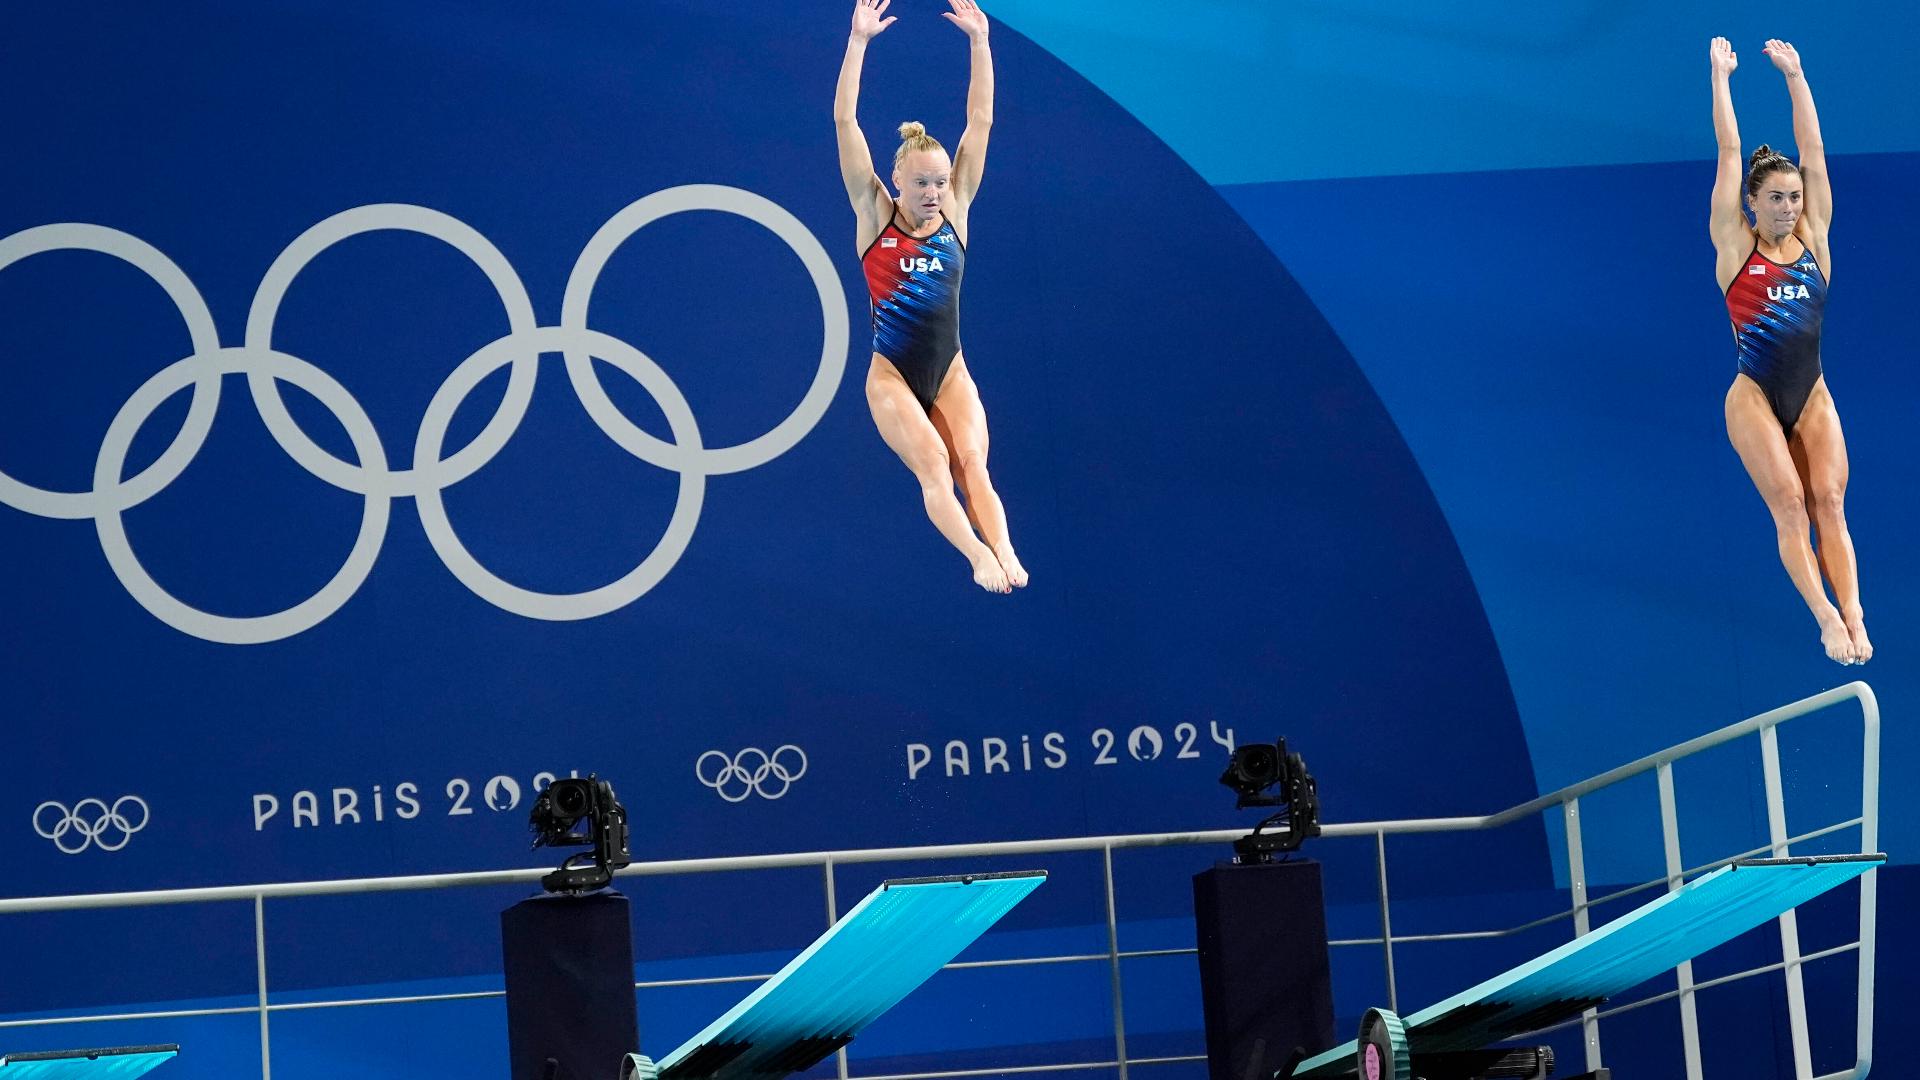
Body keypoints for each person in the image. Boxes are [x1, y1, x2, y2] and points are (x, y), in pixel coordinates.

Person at [833, 0, 1028, 594]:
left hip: (950, 371)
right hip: (891, 376)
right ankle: (977, 556)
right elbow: (846, 125)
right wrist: (859, 42)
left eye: (941, 182)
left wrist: (980, 42)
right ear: (898, 183)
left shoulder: (957, 214)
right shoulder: (874, 216)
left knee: (975, 464)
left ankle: (1006, 551)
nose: (934, 192)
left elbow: (982, 121)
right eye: (922, 183)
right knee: (936, 467)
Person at [1709, 37, 1868, 664]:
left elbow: (1815, 153)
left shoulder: (1816, 243)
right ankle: (1826, 618)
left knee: (1831, 501)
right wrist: (1721, 77)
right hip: (1752, 396)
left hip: (1812, 393)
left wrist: (1797, 75)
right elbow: (1727, 152)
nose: (1788, 207)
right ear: (1752, 203)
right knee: (1792, 504)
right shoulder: (1734, 248)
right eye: (1775, 198)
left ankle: (1855, 614)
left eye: (1794, 197)